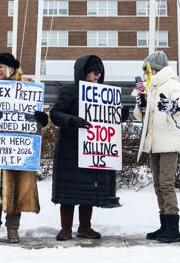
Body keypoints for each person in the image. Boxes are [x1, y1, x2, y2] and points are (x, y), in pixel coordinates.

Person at [49, 55, 129, 241]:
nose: (98, 75)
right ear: (84, 73)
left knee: (88, 189)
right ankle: (66, 228)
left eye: (100, 72)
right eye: (95, 71)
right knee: (68, 191)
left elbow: (108, 120)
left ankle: (85, 227)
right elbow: (55, 114)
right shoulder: (69, 91)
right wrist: (72, 120)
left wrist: (121, 115)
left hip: (93, 150)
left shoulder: (104, 94)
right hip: (70, 149)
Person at [0, 52, 49, 243]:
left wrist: (43, 120)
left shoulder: (27, 86)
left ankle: (12, 229)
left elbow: (38, 118)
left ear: (11, 69)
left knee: (15, 189)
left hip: (18, 149)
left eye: (0, 66)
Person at [133, 51, 180, 243]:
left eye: (148, 70)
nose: (146, 74)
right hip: (154, 142)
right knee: (157, 185)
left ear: (155, 69)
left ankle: (173, 227)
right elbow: (140, 117)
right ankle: (165, 224)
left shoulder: (172, 84)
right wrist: (141, 105)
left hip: (169, 142)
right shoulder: (150, 88)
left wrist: (172, 106)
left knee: (166, 183)